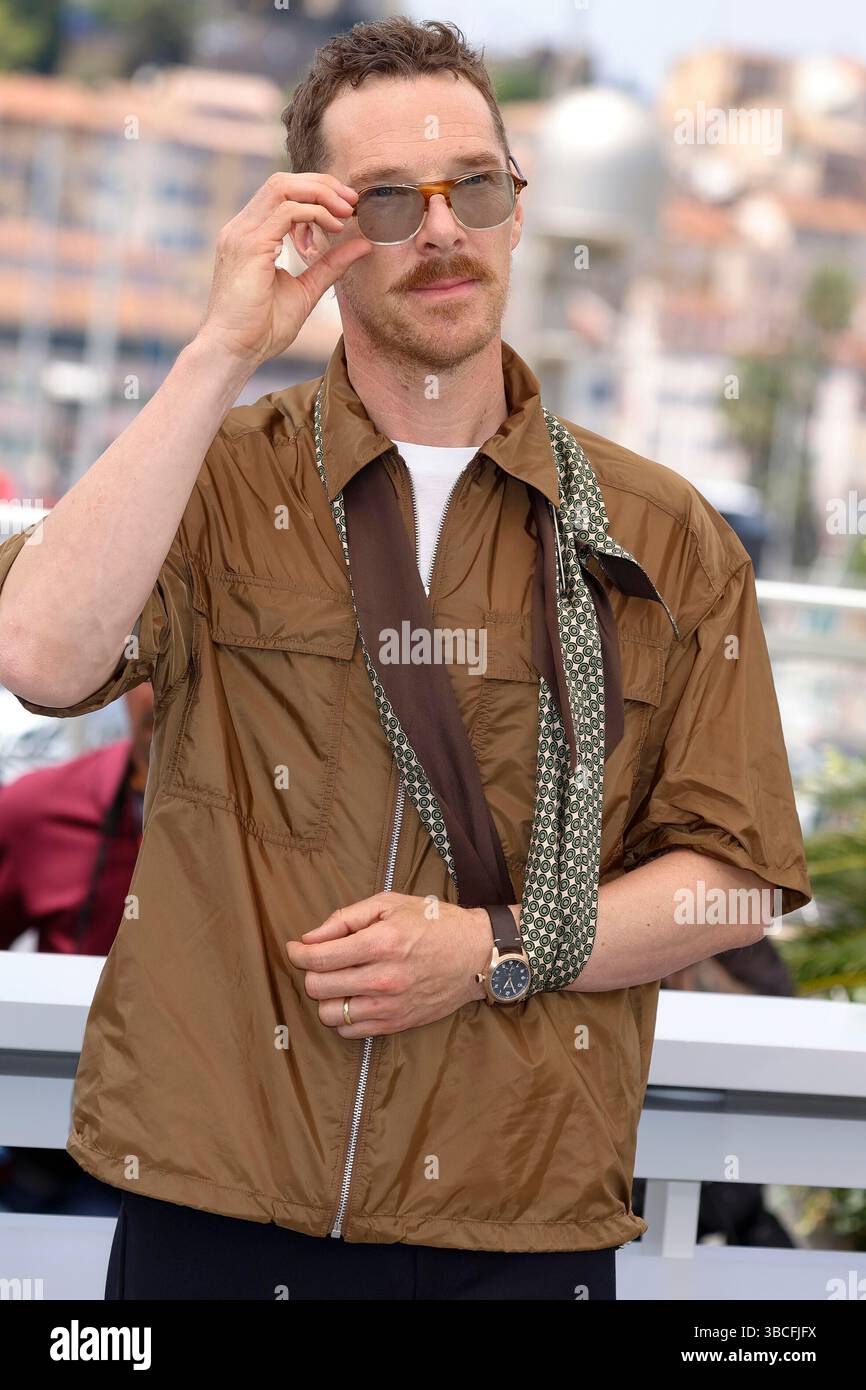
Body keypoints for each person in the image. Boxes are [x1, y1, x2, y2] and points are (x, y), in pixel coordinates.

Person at [0, 18, 811, 1301]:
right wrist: (220, 348)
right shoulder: (209, 482)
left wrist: (493, 947)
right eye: (389, 200)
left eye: (473, 188)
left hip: (518, 1224)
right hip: (217, 1211)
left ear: (515, 208)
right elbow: (39, 660)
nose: (441, 230)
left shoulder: (664, 536)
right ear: (320, 231)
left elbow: (736, 875)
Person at [0, 685, 153, 1215]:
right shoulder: (37, 809)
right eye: (154, 666)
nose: (175, 688)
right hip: (56, 1153)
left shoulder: (282, 828)